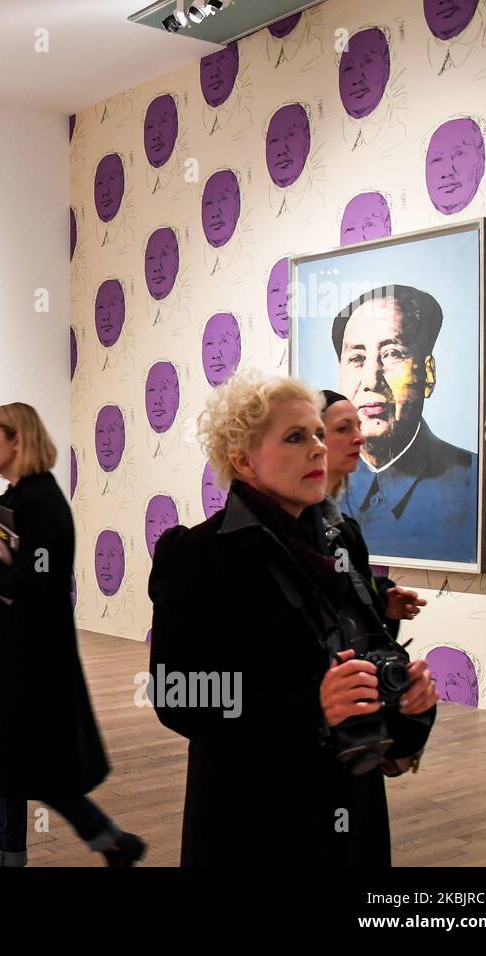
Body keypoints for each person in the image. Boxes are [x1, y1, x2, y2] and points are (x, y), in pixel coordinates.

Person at [147, 371, 438, 866]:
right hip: (256, 821)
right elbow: (179, 694)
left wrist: (409, 709)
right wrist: (310, 706)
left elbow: (359, 655)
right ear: (243, 459)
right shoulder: (198, 554)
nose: (319, 449)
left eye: (319, 435)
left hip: (352, 810)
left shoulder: (343, 538)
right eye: (295, 438)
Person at [0, 402, 145, 867]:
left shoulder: (40, 504)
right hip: (16, 655)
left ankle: (105, 841)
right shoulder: (23, 497)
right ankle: (94, 842)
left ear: (17, 439)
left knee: (25, 766)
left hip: (29, 661)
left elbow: (29, 586)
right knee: (13, 766)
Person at [331, 284, 478, 564]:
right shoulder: (312, 488)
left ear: (428, 374)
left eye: (392, 354)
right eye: (357, 358)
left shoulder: (474, 486)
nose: (371, 380)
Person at [320, 389, 426, 636]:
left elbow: (348, 599)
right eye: (343, 429)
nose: (360, 438)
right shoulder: (291, 529)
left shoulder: (345, 530)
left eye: (358, 426)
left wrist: (382, 599)